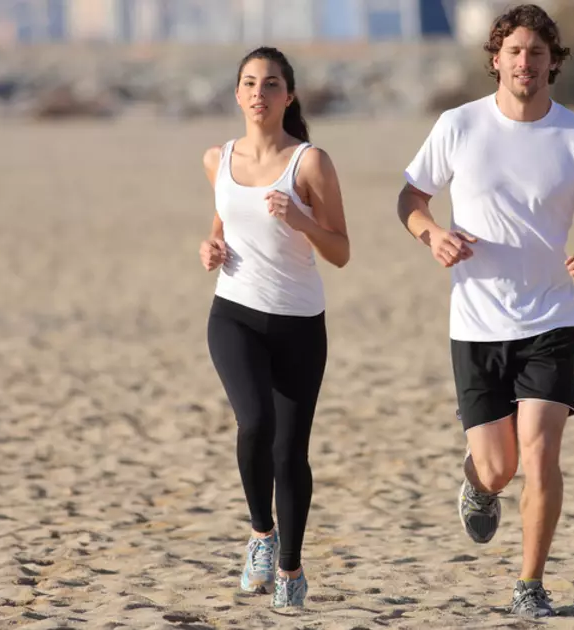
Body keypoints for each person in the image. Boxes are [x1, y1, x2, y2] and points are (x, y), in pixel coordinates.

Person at [396, 4, 574, 619]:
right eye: (514, 51)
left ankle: (529, 584)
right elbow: (411, 198)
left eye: (536, 52)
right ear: (496, 60)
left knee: (540, 455)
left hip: (550, 318)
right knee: (500, 467)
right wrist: (432, 235)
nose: (524, 62)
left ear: (552, 62)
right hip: (475, 322)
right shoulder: (459, 125)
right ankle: (477, 482)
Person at [198, 46, 349, 609]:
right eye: (249, 83)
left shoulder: (310, 163)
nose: (259, 93)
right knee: (254, 422)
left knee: (291, 453)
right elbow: (220, 221)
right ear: (237, 94)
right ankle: (262, 534)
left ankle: (290, 568)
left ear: (289, 96)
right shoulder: (217, 158)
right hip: (233, 314)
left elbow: (341, 250)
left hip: (300, 324)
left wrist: (301, 218)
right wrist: (209, 246)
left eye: (271, 84)